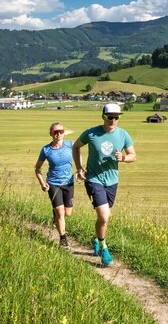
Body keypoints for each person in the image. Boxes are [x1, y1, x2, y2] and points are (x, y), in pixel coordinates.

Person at [73, 103, 135, 266]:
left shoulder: (123, 134)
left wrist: (123, 158)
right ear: (103, 117)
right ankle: (104, 248)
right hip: (93, 179)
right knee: (104, 216)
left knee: (104, 217)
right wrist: (79, 167)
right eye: (110, 117)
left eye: (116, 117)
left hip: (112, 181)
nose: (113, 120)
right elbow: (76, 147)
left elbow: (133, 155)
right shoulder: (91, 133)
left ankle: (96, 239)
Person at [35, 121, 74, 247]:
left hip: (68, 182)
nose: (58, 134)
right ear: (51, 134)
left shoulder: (71, 145)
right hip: (53, 183)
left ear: (64, 133)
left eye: (61, 131)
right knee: (60, 213)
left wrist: (80, 170)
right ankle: (63, 239)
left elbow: (78, 156)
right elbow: (37, 168)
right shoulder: (46, 150)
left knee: (67, 213)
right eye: (55, 132)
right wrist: (42, 183)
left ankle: (55, 214)